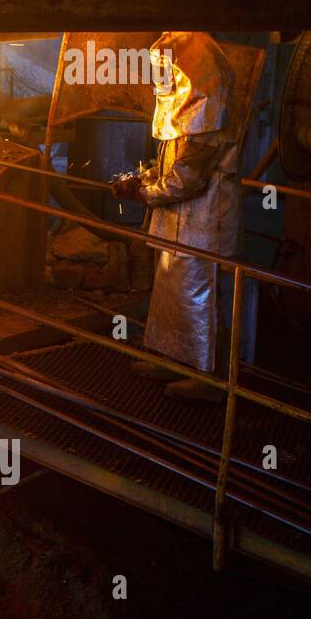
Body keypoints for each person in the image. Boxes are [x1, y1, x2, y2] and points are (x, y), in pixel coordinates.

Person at [111, 32, 242, 402]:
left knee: (199, 301)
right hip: (177, 227)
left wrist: (144, 193)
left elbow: (187, 180)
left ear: (191, 78)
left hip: (204, 229)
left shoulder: (210, 125)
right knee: (171, 296)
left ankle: (208, 380)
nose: (162, 81)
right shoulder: (185, 120)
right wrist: (144, 178)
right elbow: (168, 167)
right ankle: (170, 359)